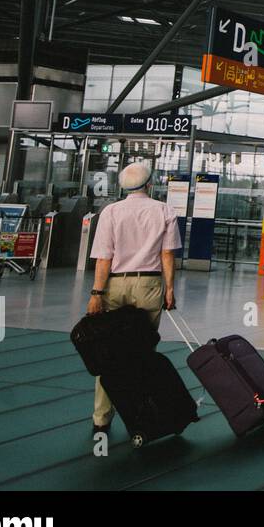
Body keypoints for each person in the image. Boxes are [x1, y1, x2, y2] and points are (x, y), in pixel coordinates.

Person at [86, 160, 182, 436]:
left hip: (114, 286)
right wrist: (170, 289)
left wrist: (96, 293)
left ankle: (101, 419)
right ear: (150, 185)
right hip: (149, 285)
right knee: (142, 353)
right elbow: (167, 255)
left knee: (109, 355)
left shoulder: (111, 212)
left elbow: (104, 257)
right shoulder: (164, 210)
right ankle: (141, 417)